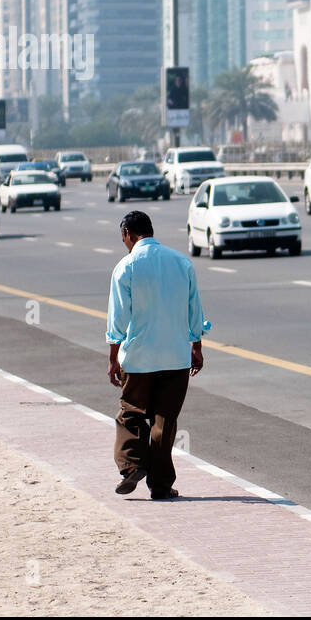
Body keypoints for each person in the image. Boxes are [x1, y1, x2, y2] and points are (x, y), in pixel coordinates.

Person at [106, 210, 210, 500]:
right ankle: (161, 486)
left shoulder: (125, 268)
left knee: (131, 414)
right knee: (164, 422)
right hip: (176, 358)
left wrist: (113, 357)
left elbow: (117, 321)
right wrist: (196, 347)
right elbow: (194, 310)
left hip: (138, 359)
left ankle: (131, 466)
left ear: (128, 234)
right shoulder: (181, 263)